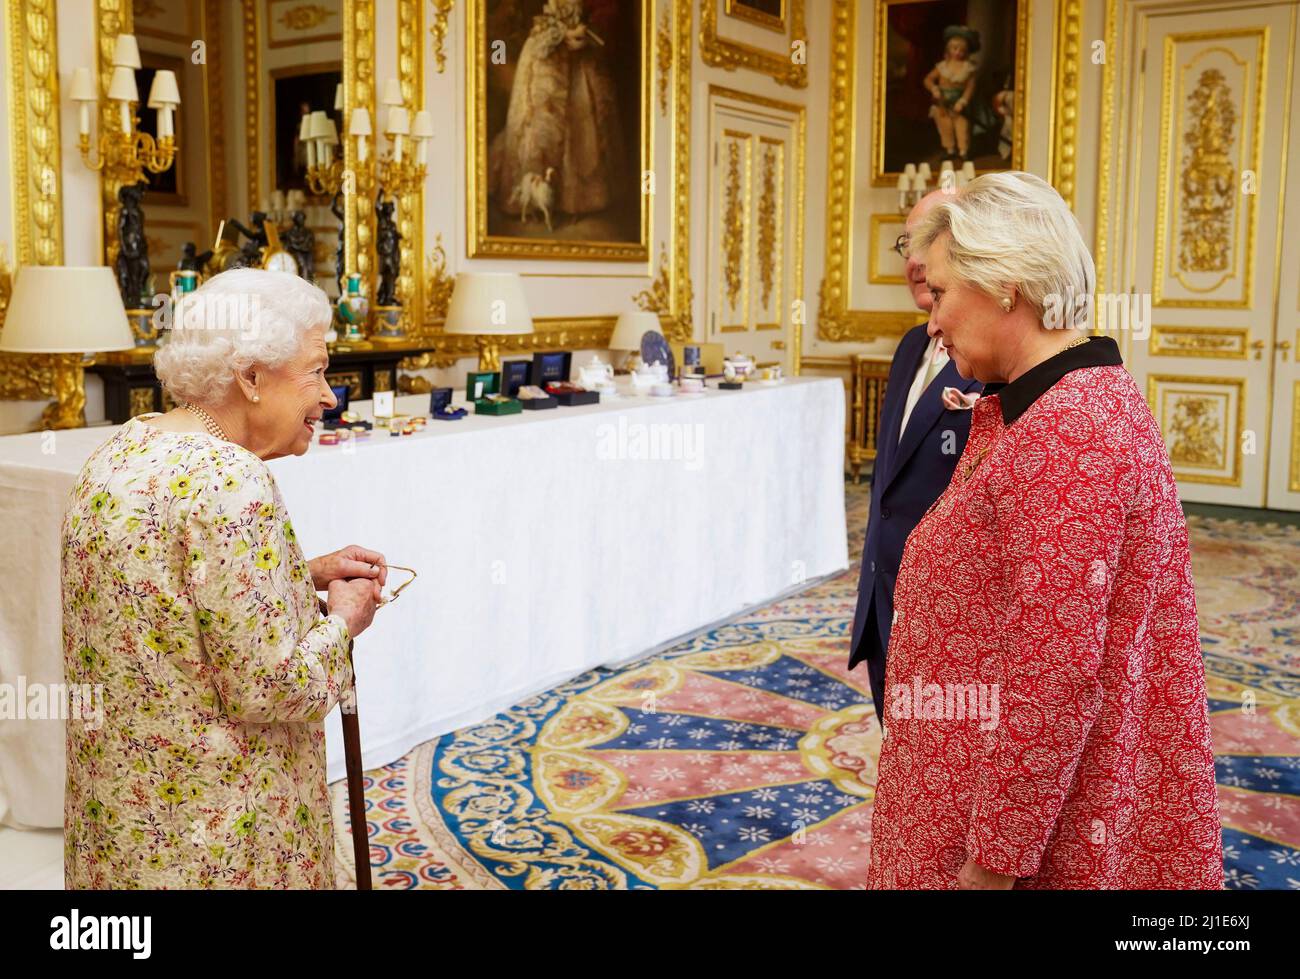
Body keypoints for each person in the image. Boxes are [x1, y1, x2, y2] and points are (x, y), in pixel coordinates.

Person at [866, 172, 1223, 889]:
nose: (930, 322)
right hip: (969, 782)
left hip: (1003, 828)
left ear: (1004, 282)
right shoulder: (1058, 405)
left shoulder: (1070, 429)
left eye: (938, 293)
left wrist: (992, 866)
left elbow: (1053, 676)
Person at [62, 269, 387, 889]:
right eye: (316, 370)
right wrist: (346, 620)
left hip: (127, 819)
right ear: (252, 377)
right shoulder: (232, 480)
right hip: (221, 833)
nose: (330, 398)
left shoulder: (121, 450)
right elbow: (276, 689)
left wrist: (300, 573)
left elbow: (167, 597)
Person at [848, 189, 982, 727]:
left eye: (929, 242)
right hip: (884, 603)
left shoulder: (991, 358)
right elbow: (889, 484)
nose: (914, 261)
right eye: (908, 243)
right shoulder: (908, 347)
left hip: (949, 619)